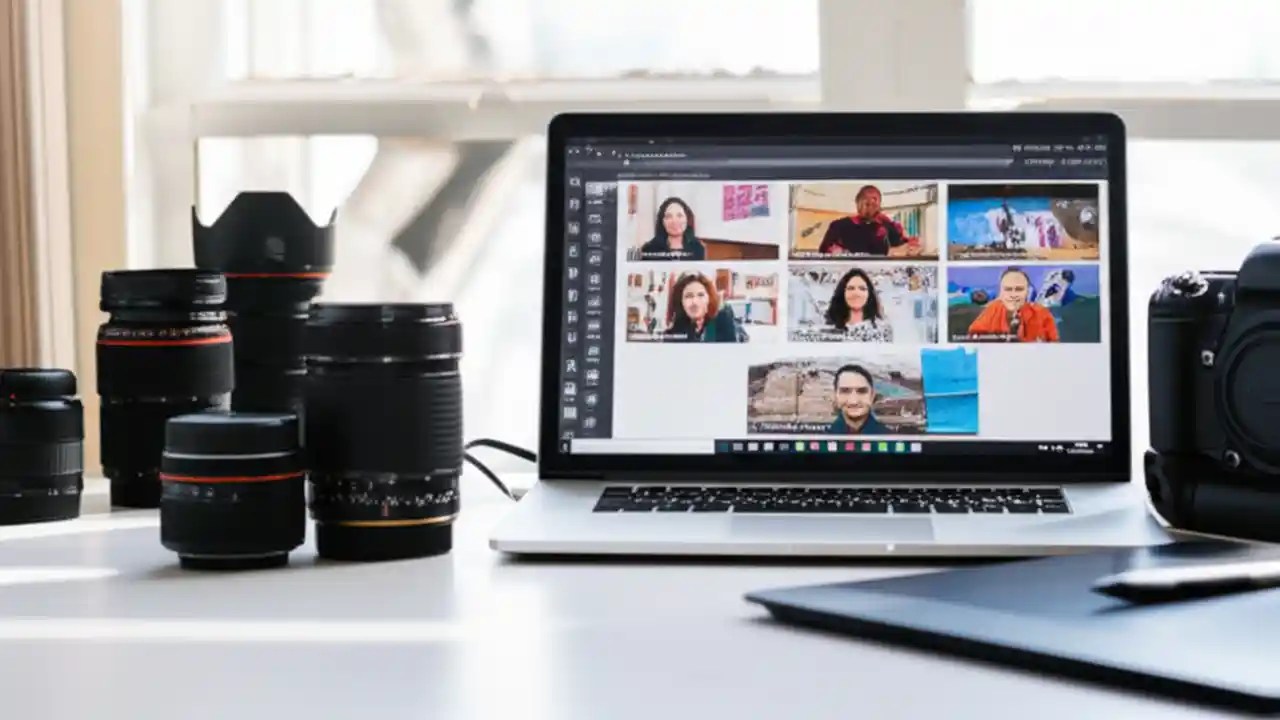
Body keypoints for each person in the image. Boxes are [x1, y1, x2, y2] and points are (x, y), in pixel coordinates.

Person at [817, 185, 922, 257]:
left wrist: (912, 248)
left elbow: (906, 247)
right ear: (857, 203)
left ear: (879, 204)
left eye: (874, 201)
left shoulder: (889, 225)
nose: (870, 204)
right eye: (866, 202)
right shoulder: (839, 226)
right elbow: (826, 254)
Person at [967, 267, 1060, 342]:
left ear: (1027, 291)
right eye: (1008, 289)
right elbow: (973, 336)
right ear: (1001, 292)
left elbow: (1055, 346)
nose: (1013, 295)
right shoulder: (993, 310)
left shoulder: (1042, 313)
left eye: (1019, 289)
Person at [665, 272, 740, 343]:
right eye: (688, 296)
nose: (695, 302)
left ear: (709, 298)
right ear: (681, 301)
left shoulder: (722, 322)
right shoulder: (674, 333)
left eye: (700, 295)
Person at [824, 267, 893, 342]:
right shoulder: (827, 329)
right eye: (851, 288)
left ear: (869, 294)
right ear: (842, 293)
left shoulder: (883, 330)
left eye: (862, 289)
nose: (856, 293)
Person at [827, 364, 890, 435]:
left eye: (862, 391)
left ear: (872, 396)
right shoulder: (820, 440)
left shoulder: (893, 440)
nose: (854, 401)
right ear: (835, 396)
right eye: (845, 391)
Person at [639, 197, 705, 260]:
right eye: (669, 216)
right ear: (662, 221)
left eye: (679, 215)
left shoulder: (698, 248)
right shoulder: (649, 249)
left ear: (687, 219)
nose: (674, 221)